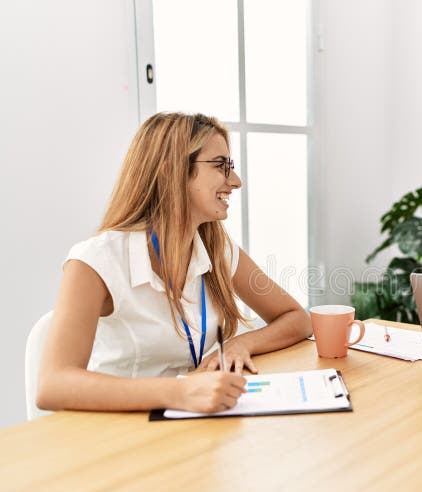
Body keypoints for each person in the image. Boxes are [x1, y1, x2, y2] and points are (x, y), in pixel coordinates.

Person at [37, 112, 312, 413]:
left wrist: (241, 344)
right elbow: (53, 385)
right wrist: (179, 391)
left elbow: (297, 318)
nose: (235, 181)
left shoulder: (217, 249)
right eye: (221, 166)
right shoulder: (95, 261)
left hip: (190, 424)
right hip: (117, 434)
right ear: (171, 172)